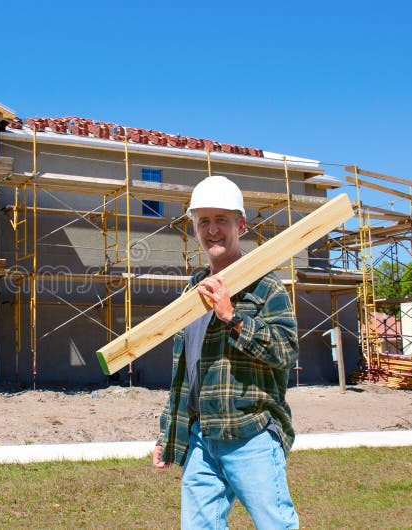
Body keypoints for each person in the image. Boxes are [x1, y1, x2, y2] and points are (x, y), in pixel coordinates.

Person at [152, 175, 300, 529]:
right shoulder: (194, 289)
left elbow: (287, 351)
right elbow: (186, 371)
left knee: (276, 525)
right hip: (202, 439)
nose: (212, 230)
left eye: (221, 220)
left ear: (241, 224)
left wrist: (232, 317)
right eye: (204, 221)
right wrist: (168, 433)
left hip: (251, 434)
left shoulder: (266, 286)